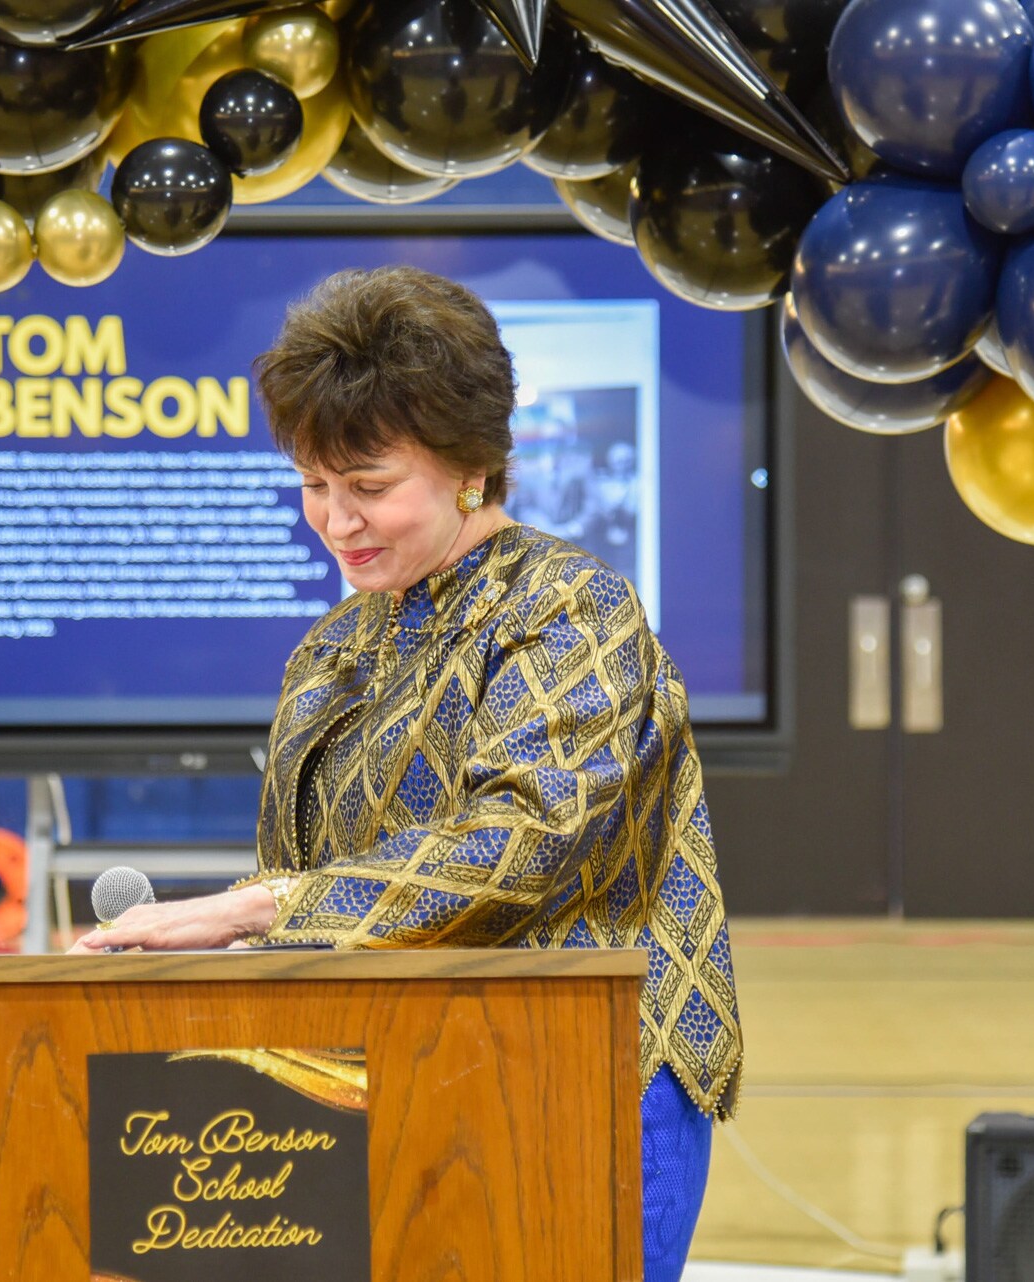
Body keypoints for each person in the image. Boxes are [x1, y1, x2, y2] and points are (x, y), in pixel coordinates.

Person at [71, 266, 742, 1280]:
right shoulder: (333, 646)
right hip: (386, 1077)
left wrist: (252, 908)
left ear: (471, 464)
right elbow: (311, 886)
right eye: (313, 485)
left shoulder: (570, 609)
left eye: (369, 487)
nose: (336, 521)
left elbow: (526, 838)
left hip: (584, 1076)